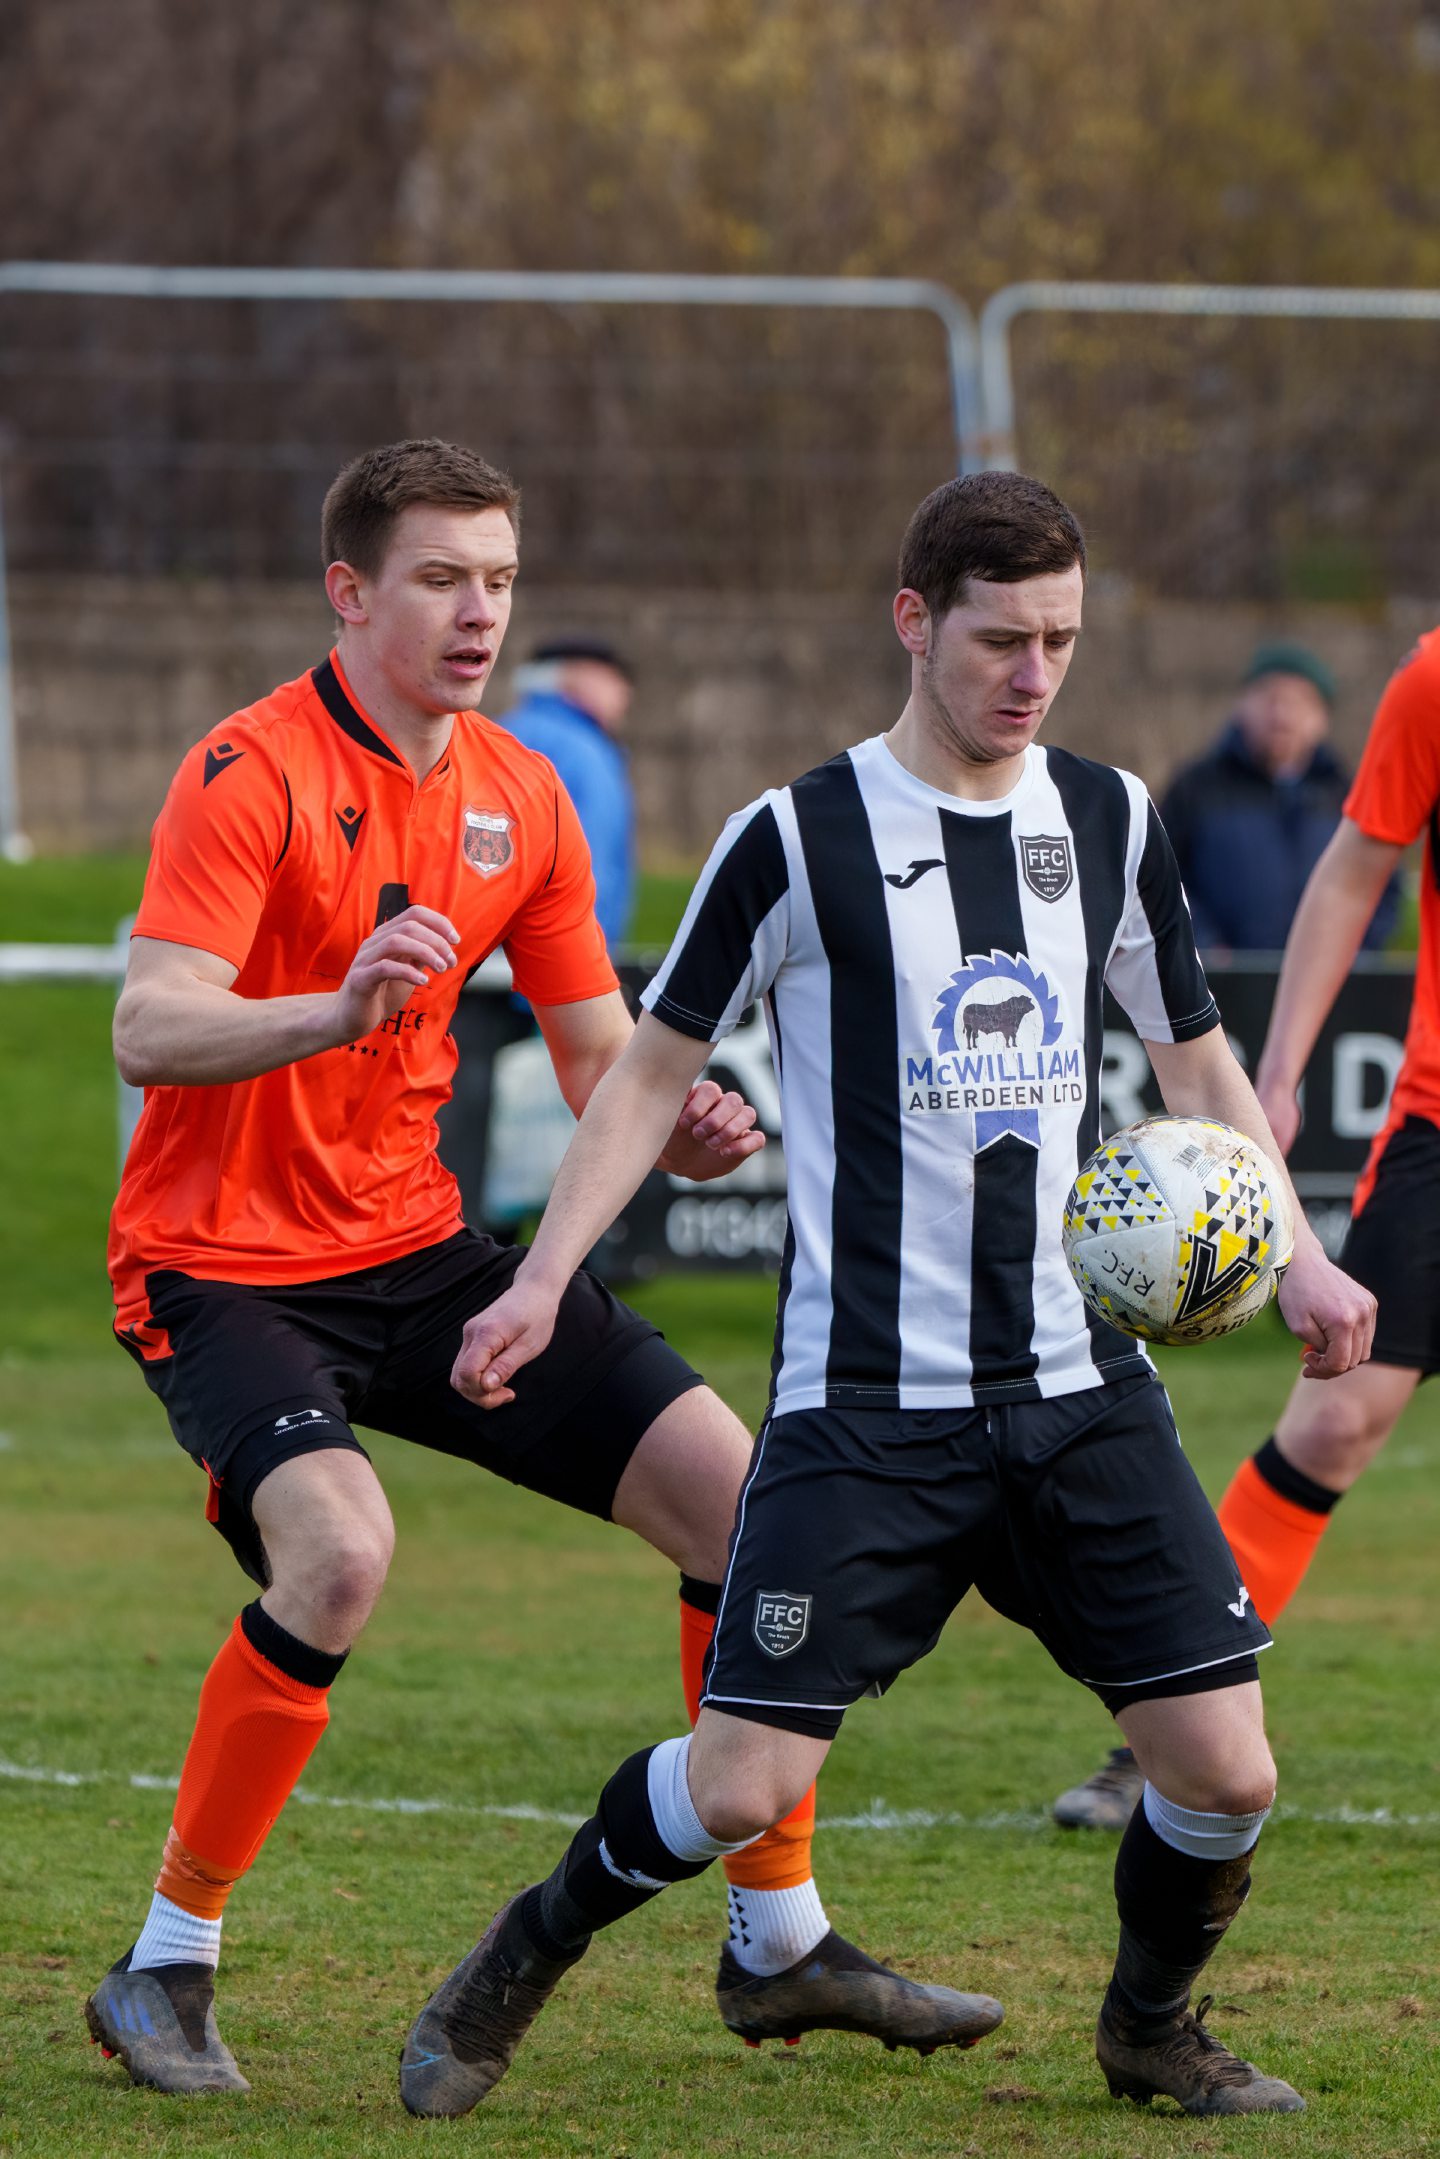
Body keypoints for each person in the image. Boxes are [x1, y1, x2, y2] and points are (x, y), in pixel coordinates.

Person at [395, 472, 1375, 2122]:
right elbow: (644, 1074)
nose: (1033, 670)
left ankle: (1149, 2028)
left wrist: (1300, 1245)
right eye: (1002, 636)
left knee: (1227, 1771)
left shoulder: (1115, 817)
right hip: (866, 1407)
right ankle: (523, 1945)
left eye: (1061, 637)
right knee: (740, 1779)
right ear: (915, 620)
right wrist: (543, 1277)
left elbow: (1194, 1053)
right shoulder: (793, 836)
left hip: (1080, 1391)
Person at [84, 438, 966, 2096]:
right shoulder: (246, 771)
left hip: (418, 1247)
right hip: (218, 1268)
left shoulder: (524, 792)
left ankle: (776, 1943)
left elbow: (596, 1061)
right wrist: (332, 1008)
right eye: (440, 575)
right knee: (339, 1556)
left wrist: (679, 1116)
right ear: (350, 593)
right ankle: (167, 1957)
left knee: (749, 1501)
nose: (479, 608)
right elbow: (148, 1019)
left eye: (498, 576)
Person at [1055, 624, 1439, 1832]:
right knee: (1337, 1416)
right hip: (1439, 1120)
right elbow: (1351, 869)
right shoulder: (1432, 675)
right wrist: (1274, 1071)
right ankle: (1163, 1727)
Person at [1158, 641, 1399, 954]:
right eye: (1270, 698)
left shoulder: (1348, 797)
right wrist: (1203, 947)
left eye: (1300, 701)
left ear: (1321, 718)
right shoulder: (1195, 789)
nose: (1282, 715)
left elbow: (1382, 885)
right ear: (1241, 704)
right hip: (1218, 988)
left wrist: (1350, 954)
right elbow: (1162, 880)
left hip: (1326, 991)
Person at [500, 636, 636, 950]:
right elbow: (591, 861)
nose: (624, 691)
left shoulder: (504, 730)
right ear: (575, 676)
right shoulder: (582, 751)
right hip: (558, 961)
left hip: (489, 955)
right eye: (612, 678)